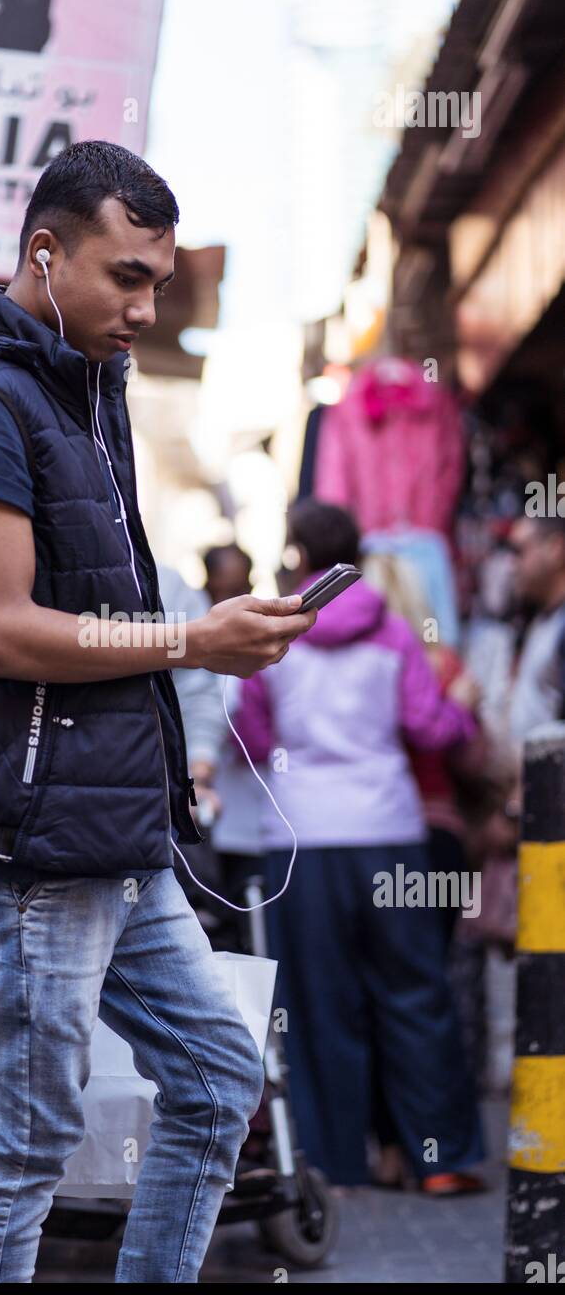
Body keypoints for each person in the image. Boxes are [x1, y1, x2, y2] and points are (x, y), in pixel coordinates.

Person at [0, 140, 317, 1283]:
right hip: (25, 847)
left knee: (219, 1077)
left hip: (113, 834)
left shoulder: (84, 390)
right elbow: (1, 630)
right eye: (125, 275)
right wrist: (195, 641)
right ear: (43, 252)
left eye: (156, 280)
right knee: (23, 1148)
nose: (145, 304)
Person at [231, 498, 487, 1194]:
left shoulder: (273, 635)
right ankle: (441, 1161)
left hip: (305, 840)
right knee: (415, 995)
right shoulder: (397, 632)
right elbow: (430, 728)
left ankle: (332, 1165)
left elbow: (251, 739)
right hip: (390, 833)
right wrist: (463, 705)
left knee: (319, 1006)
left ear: (297, 555)